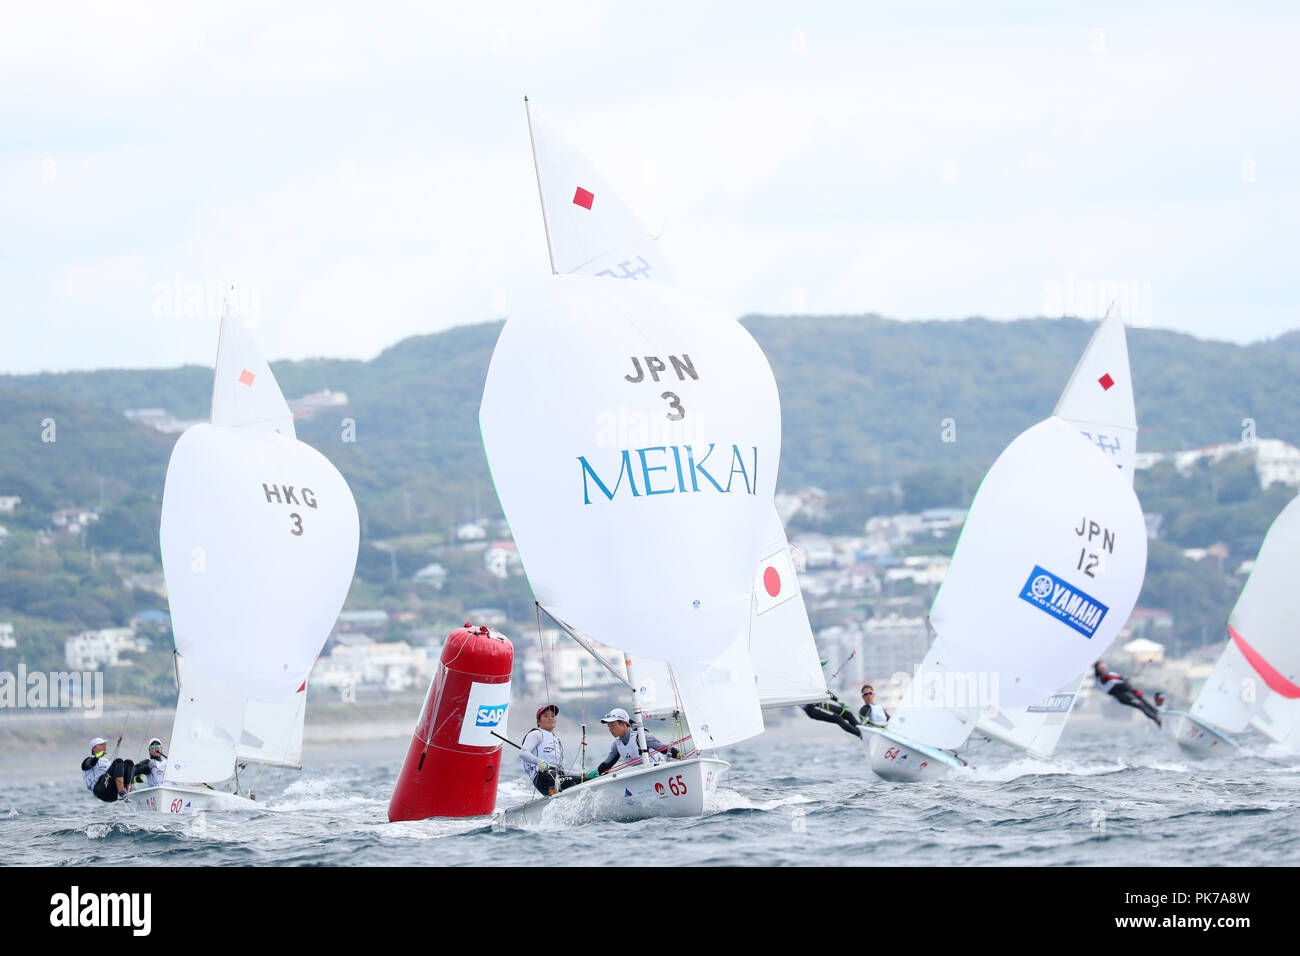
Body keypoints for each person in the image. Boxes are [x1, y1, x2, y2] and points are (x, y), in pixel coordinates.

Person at [519, 705, 584, 796]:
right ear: (539, 721)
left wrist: (583, 775)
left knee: (584, 779)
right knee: (583, 782)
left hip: (556, 776)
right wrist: (539, 762)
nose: (550, 718)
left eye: (553, 716)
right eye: (546, 716)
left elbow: (561, 770)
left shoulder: (555, 740)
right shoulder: (536, 733)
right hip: (543, 777)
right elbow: (523, 753)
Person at [595, 708, 679, 774]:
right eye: (609, 726)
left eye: (613, 725)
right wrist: (590, 775)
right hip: (641, 775)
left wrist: (680, 755)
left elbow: (665, 749)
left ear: (624, 724)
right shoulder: (616, 745)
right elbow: (606, 765)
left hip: (659, 771)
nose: (610, 729)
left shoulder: (641, 737)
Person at [1094, 661, 1162, 726]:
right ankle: (1156, 719)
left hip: (1126, 689)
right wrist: (1122, 678)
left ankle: (1154, 710)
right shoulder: (1101, 679)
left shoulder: (1112, 673)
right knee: (1140, 705)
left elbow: (1119, 680)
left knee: (1140, 697)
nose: (1103, 668)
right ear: (1097, 670)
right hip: (1121, 695)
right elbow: (1108, 678)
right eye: (1101, 667)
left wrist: (1124, 679)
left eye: (1104, 665)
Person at [81, 737, 136, 802]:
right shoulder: (88, 760)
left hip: (112, 792)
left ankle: (129, 791)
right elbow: (89, 764)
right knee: (118, 761)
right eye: (101, 745)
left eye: (105, 744)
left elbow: (120, 773)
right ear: (94, 748)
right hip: (101, 791)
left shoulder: (106, 761)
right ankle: (122, 793)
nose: (105, 746)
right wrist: (97, 757)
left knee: (129, 763)